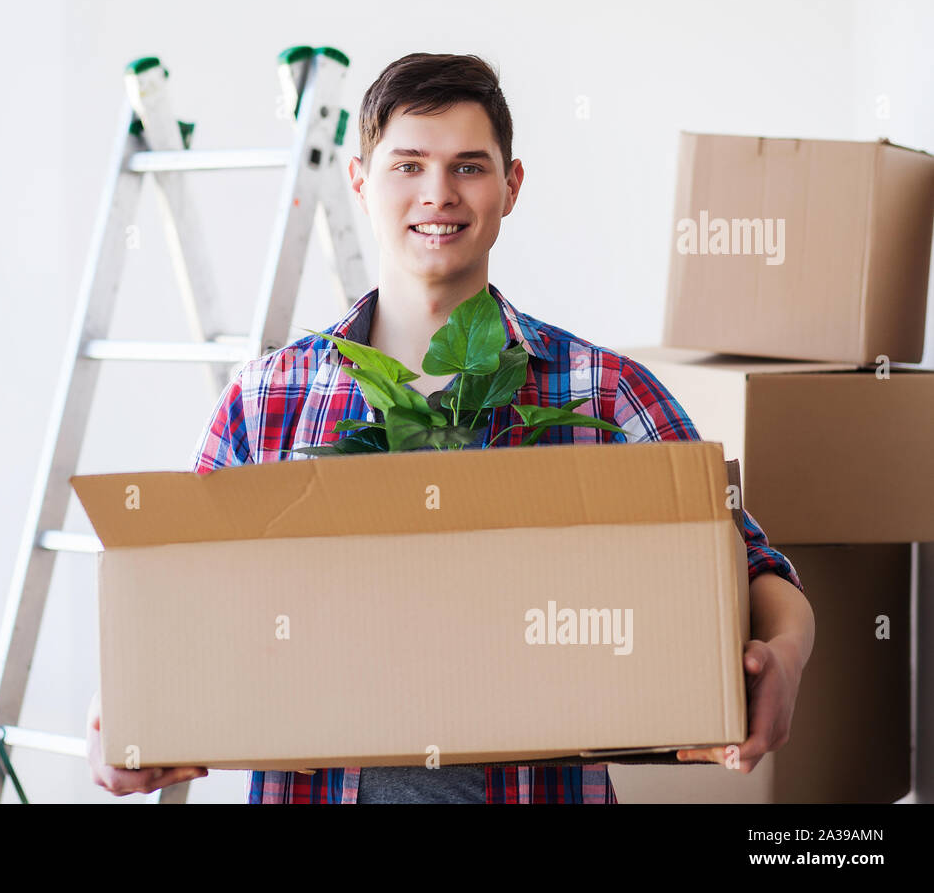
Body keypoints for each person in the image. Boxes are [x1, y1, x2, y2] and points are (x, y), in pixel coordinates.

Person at [87, 52, 815, 803]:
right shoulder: (268, 399)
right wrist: (121, 715)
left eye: (469, 166)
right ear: (360, 181)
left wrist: (784, 660)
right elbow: (174, 600)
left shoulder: (601, 391)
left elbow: (755, 566)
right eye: (408, 166)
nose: (439, 195)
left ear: (512, 186)